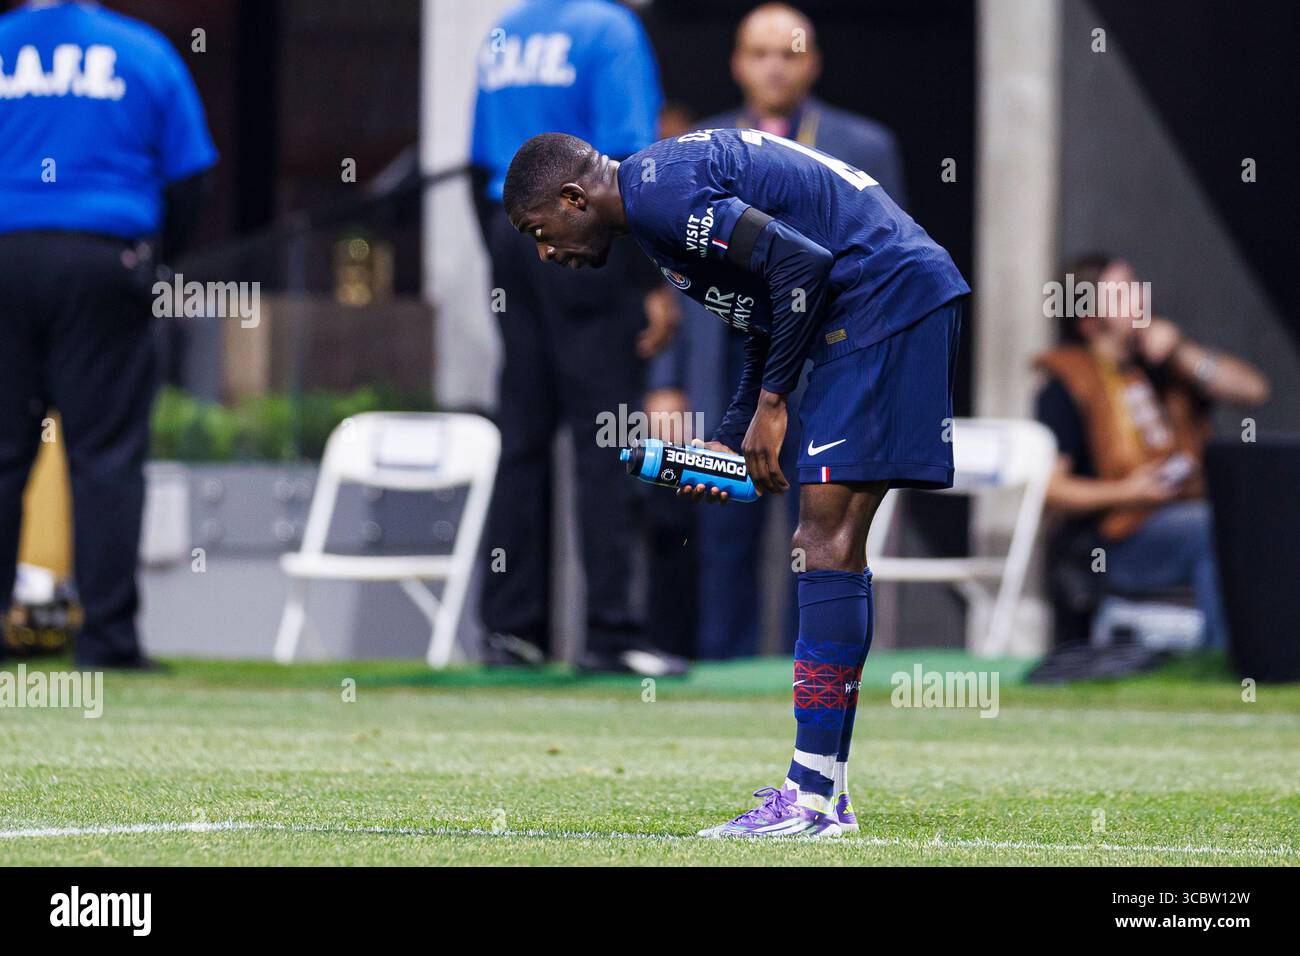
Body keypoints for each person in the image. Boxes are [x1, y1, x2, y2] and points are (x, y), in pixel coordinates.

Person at [500, 129, 968, 836]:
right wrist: (730, 432)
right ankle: (821, 794)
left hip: (884, 301)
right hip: (885, 299)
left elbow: (802, 268)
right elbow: (765, 308)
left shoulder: (659, 198)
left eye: (542, 230)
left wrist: (774, 406)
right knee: (828, 540)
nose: (546, 251)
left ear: (574, 198)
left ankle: (811, 798)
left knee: (825, 540)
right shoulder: (651, 199)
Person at [648, 2, 908, 658]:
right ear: (737, 63)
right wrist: (665, 383)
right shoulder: (697, 146)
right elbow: (670, 275)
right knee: (721, 534)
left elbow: (891, 265)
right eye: (758, 53)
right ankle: (722, 672)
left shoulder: (862, 145)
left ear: (812, 63)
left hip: (826, 370)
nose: (773, 66)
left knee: (822, 535)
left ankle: (814, 675)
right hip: (724, 364)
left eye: (788, 53)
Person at [470, 0, 686, 677]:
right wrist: (650, 278)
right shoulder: (610, 28)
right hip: (583, 234)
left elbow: (479, 162)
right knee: (609, 437)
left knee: (524, 434)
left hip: (511, 234)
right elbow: (625, 165)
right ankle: (612, 634)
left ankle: (511, 629)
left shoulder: (505, 30)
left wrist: (512, 251)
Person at [0, 0, 216, 668]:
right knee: (107, 458)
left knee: (3, 455)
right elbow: (192, 178)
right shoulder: (141, 50)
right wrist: (151, 256)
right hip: (105, 258)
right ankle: (107, 641)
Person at [1035, 254, 1269, 650]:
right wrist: (1130, 493)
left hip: (1184, 514)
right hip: (1116, 541)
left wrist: (1182, 352)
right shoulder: (1066, 385)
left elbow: (1253, 391)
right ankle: (1229, 659)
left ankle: (1269, 656)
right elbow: (1052, 490)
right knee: (1210, 529)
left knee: (1246, 517)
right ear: (1090, 320)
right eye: (1122, 293)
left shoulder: (1164, 368)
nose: (1140, 298)